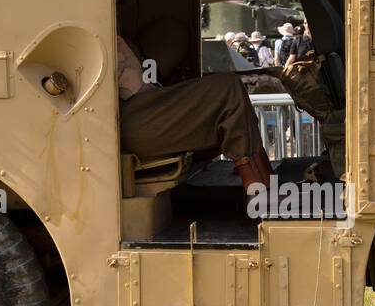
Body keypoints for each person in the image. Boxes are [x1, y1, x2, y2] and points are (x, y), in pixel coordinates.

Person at [115, 36, 271, 191]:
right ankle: (258, 185)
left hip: (138, 113)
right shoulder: (107, 35)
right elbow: (132, 86)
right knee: (228, 88)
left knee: (230, 88)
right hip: (134, 119)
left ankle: (262, 176)